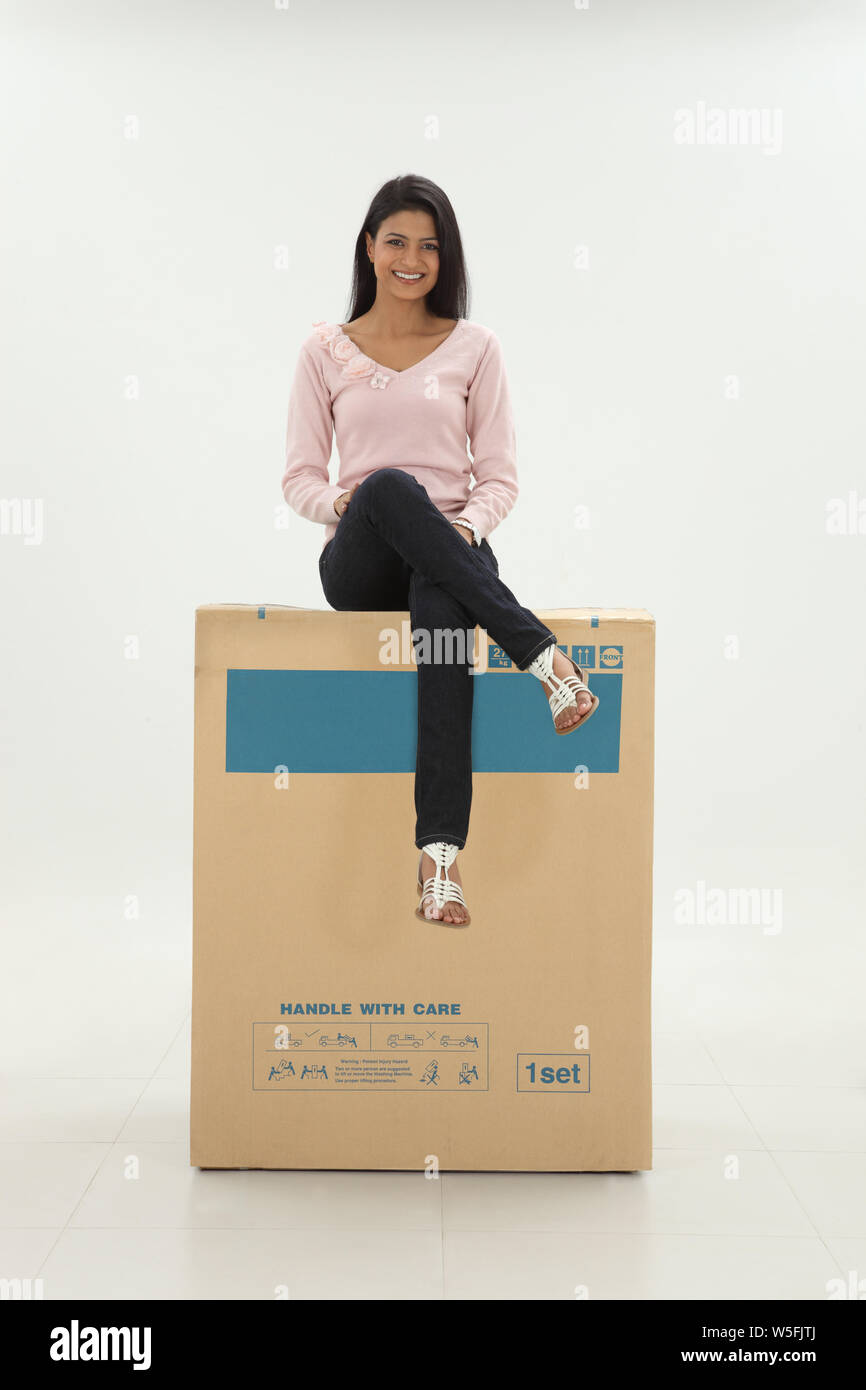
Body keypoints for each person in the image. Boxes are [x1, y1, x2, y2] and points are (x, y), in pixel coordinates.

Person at [282, 175, 598, 929]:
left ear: (445, 257)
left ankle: (441, 862)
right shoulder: (324, 351)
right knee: (391, 488)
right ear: (369, 247)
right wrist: (343, 503)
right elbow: (299, 478)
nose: (412, 258)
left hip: (451, 552)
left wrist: (463, 529)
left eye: (430, 245)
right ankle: (542, 657)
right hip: (360, 559)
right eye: (397, 241)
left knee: (443, 611)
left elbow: (498, 477)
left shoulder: (476, 348)